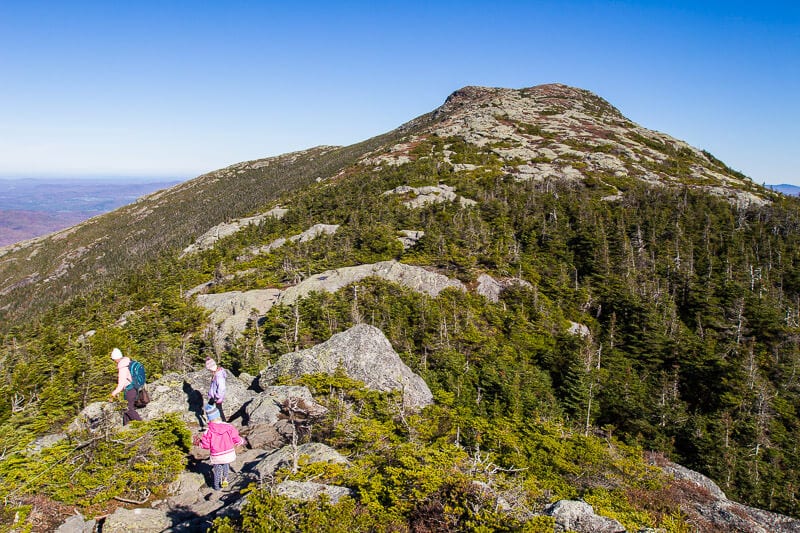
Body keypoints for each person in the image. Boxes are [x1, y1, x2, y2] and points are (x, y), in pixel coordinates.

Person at [194, 403, 243, 491]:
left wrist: (199, 443)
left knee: (217, 471)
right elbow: (235, 436)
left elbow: (206, 445)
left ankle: (216, 487)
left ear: (209, 418)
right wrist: (240, 441)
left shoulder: (208, 431)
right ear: (218, 415)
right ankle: (225, 479)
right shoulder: (228, 427)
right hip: (229, 453)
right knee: (226, 465)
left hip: (217, 455)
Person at [109, 347, 142, 425]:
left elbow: (121, 385)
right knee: (126, 410)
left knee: (128, 409)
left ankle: (142, 424)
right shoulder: (129, 363)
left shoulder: (123, 368)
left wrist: (113, 394)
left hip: (130, 390)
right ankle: (126, 428)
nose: (114, 362)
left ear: (116, 359)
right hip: (134, 388)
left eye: (113, 360)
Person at [206, 358, 227, 422]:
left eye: (209, 368)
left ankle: (224, 424)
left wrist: (217, 396)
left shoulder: (219, 376)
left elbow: (222, 388)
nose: (209, 370)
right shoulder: (215, 374)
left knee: (219, 410)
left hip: (217, 397)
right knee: (210, 407)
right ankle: (214, 423)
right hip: (214, 396)